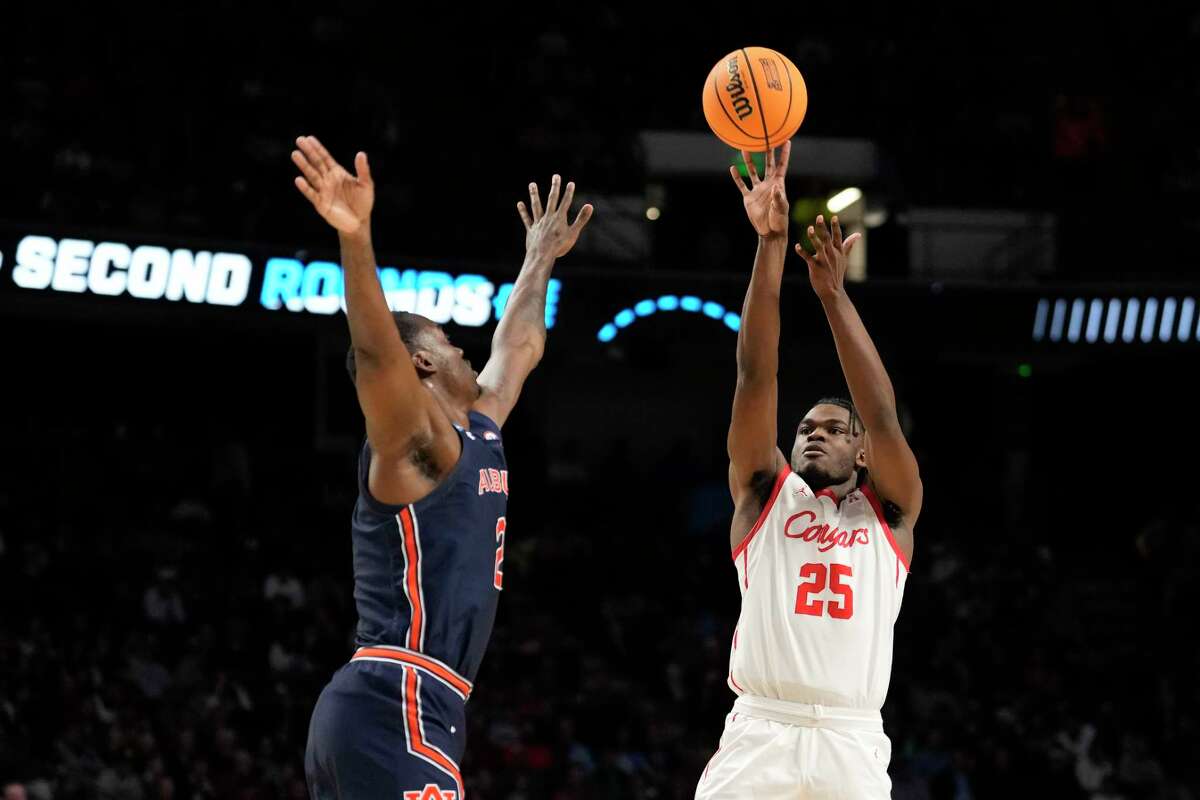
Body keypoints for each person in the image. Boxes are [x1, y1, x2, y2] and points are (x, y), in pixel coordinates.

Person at [290, 135, 592, 799]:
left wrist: (539, 257)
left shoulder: (477, 428)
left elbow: (521, 342)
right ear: (423, 364)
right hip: (392, 699)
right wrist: (355, 237)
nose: (466, 352)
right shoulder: (416, 445)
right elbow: (375, 357)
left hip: (413, 704)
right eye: (453, 345)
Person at [696, 141, 922, 799]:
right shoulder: (764, 495)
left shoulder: (893, 513)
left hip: (850, 736)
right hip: (762, 729)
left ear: (861, 454)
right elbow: (754, 372)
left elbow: (881, 416)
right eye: (804, 429)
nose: (812, 435)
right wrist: (771, 245)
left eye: (832, 429)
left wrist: (833, 299)